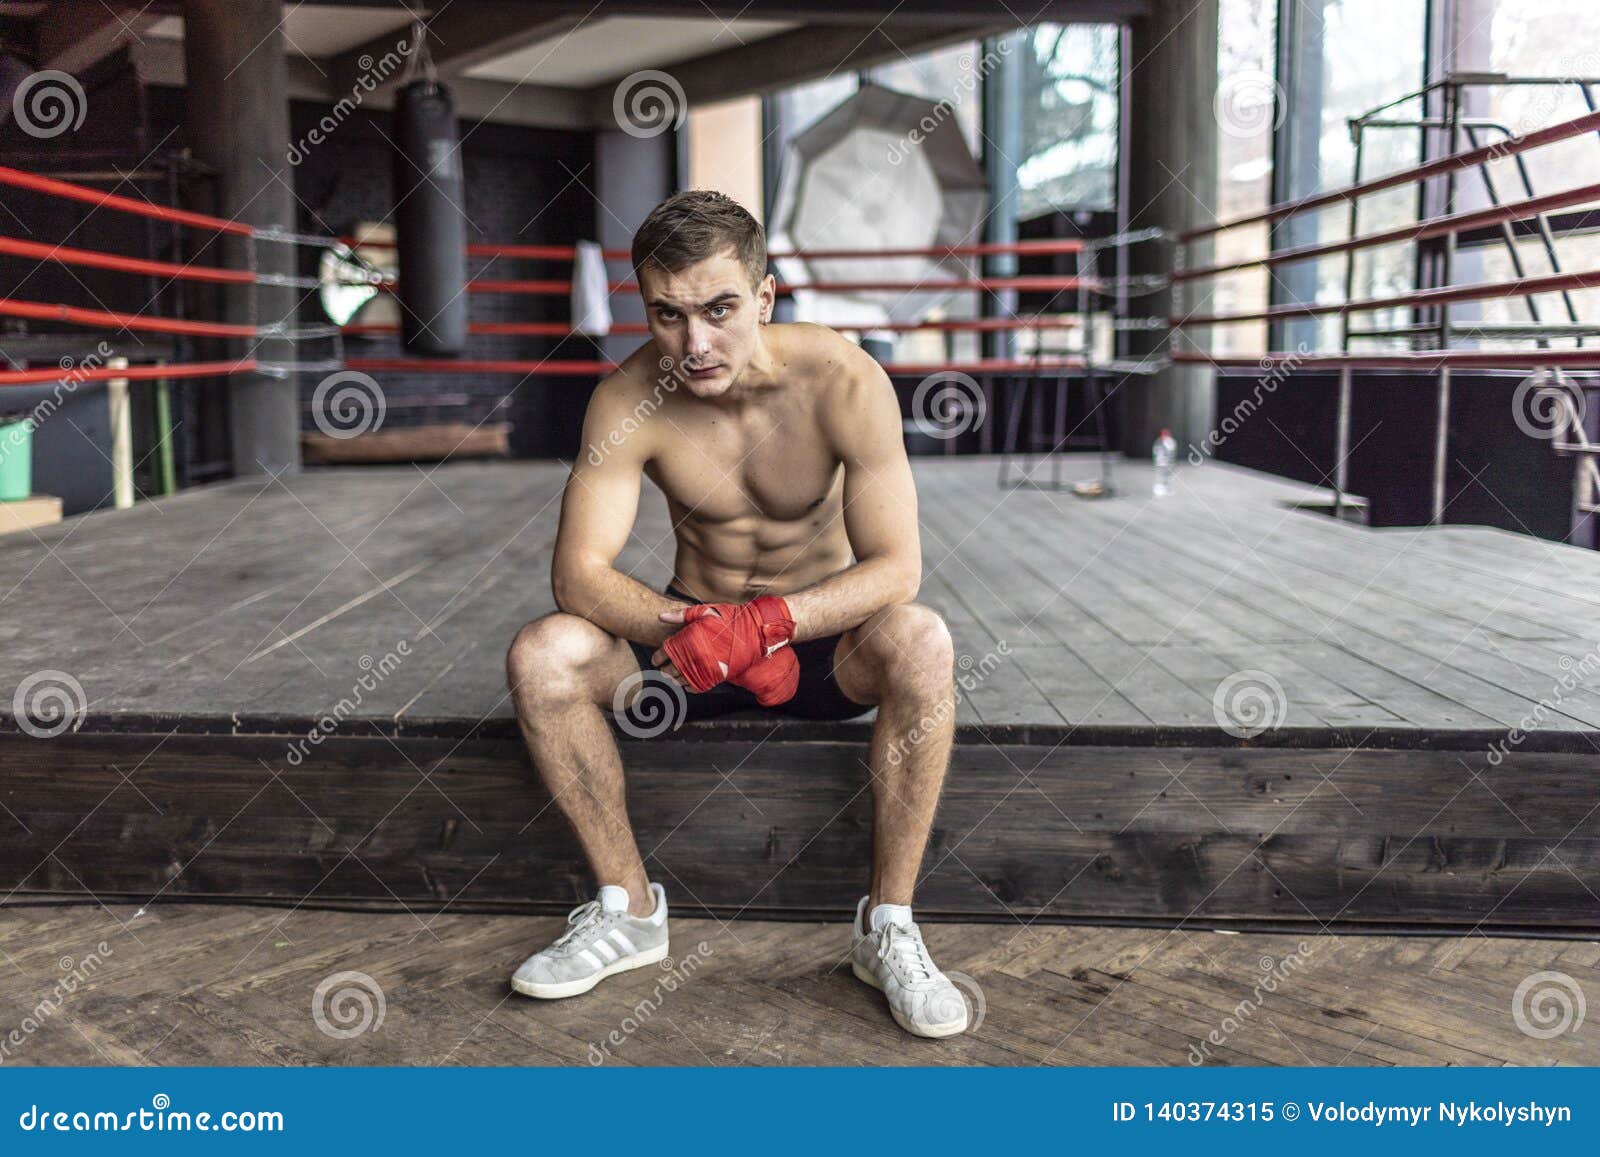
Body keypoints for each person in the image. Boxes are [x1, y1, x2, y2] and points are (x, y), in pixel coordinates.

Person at [504, 189, 966, 1038]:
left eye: (720, 309)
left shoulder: (842, 378)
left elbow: (898, 566)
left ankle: (889, 927)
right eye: (668, 315)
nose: (695, 342)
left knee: (925, 640)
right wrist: (698, 630)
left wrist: (773, 623)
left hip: (822, 648)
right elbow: (578, 574)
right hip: (693, 654)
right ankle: (629, 910)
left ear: (764, 296)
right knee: (544, 653)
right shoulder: (629, 397)